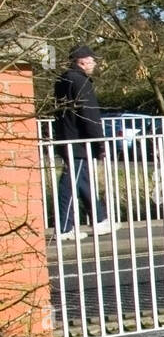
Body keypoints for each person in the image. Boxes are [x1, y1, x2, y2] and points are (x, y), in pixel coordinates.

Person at [52, 45, 109, 239]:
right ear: (82, 61)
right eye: (92, 60)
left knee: (81, 179)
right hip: (78, 140)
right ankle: (64, 227)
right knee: (71, 181)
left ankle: (100, 220)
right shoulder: (80, 82)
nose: (94, 64)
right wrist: (99, 141)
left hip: (67, 136)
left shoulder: (62, 80)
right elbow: (89, 114)